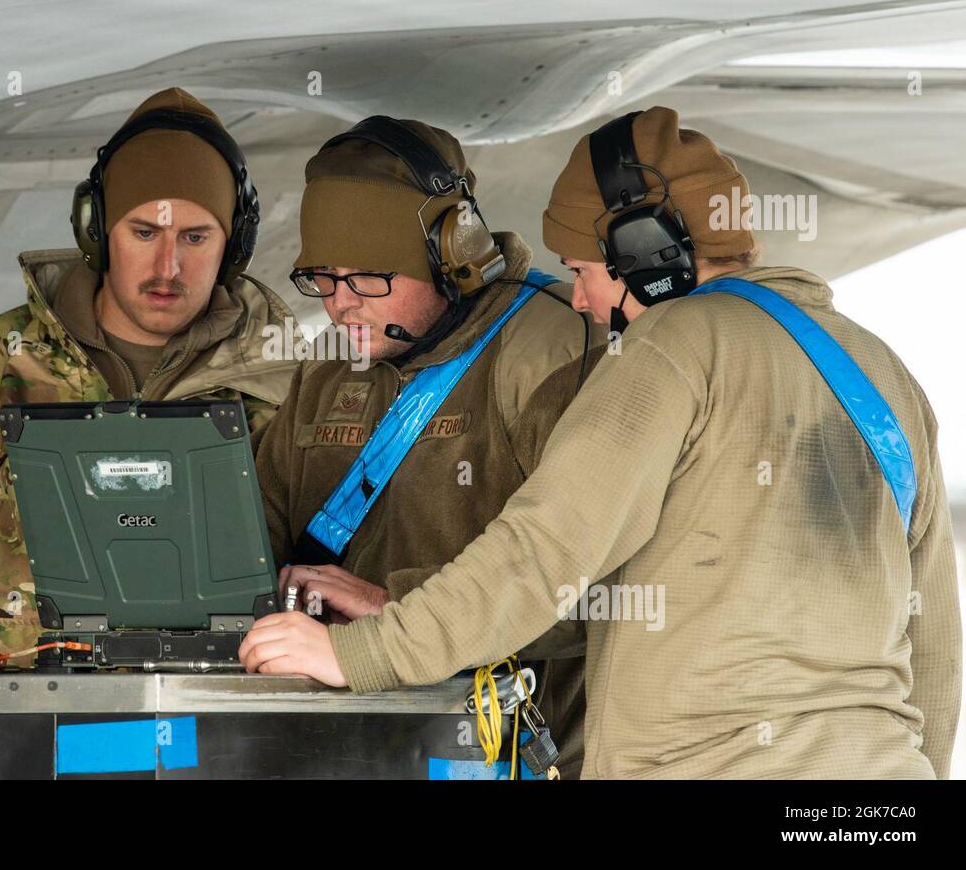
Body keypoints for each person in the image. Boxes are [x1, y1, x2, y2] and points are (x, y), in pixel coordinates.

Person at [242, 107, 961, 779]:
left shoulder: (672, 343)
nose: (579, 301)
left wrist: (359, 653)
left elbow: (543, 553)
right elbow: (932, 645)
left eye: (583, 271)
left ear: (649, 256)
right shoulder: (886, 374)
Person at [0, 87, 300, 664]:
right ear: (97, 231)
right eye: (144, 233)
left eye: (195, 237)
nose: (169, 267)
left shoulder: (283, 388)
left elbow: (349, 574)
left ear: (234, 244)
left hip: (218, 731)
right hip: (8, 734)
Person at [252, 115, 604, 775]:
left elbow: (601, 589)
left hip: (507, 756)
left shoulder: (554, 354)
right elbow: (259, 531)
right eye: (323, 279)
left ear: (453, 254)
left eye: (367, 277)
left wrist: (397, 610)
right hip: (344, 754)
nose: (340, 305)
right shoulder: (330, 369)